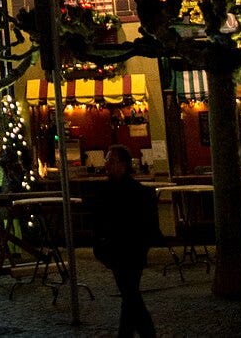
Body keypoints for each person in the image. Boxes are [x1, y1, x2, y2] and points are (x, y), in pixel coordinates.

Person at [91, 145, 160, 338]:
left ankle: (141, 334)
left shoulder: (114, 192)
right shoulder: (137, 193)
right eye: (106, 160)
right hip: (126, 250)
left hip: (123, 250)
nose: (106, 165)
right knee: (130, 294)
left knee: (130, 295)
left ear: (123, 164)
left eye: (110, 161)